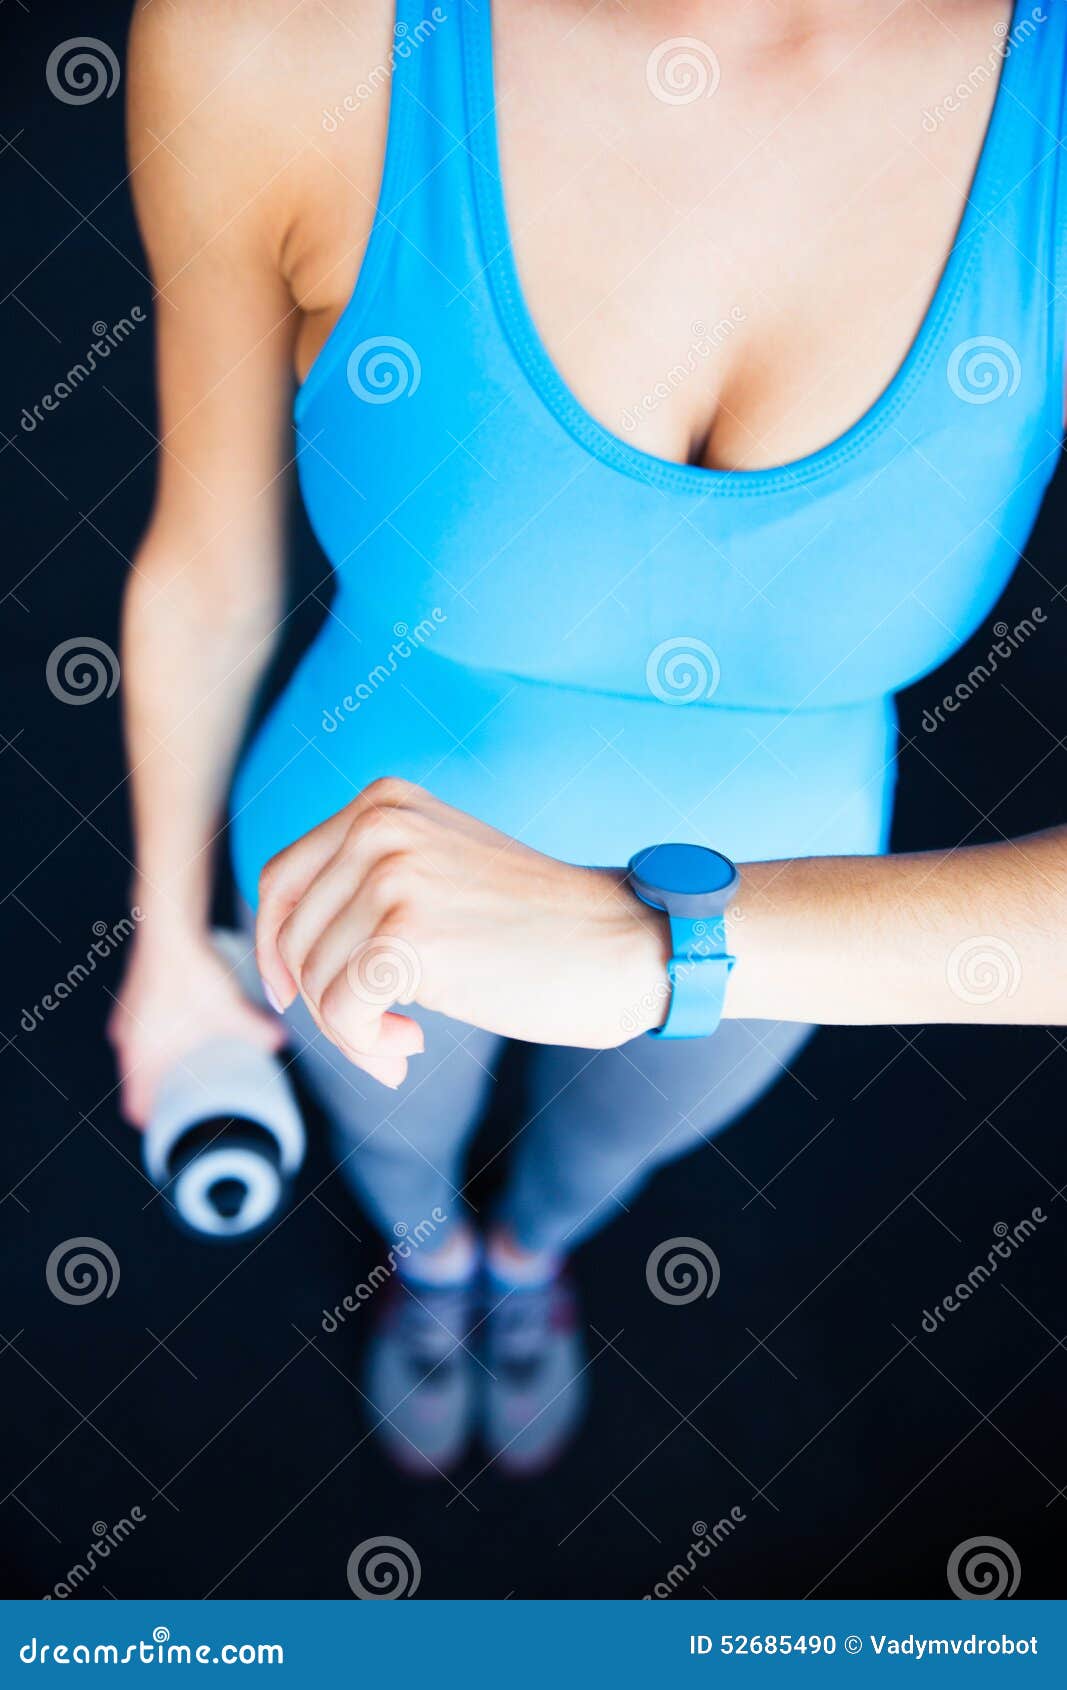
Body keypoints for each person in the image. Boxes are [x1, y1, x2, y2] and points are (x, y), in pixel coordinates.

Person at [111, 0, 1067, 1308]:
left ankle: (524, 1263)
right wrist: (163, 935)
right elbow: (209, 566)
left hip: (802, 901)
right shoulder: (277, 38)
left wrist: (658, 950)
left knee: (599, 1161)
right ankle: (437, 1265)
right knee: (396, 1151)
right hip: (351, 854)